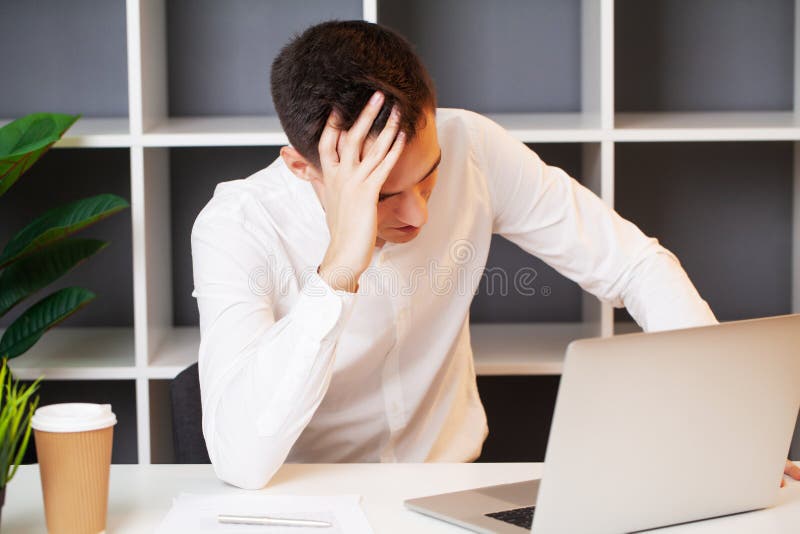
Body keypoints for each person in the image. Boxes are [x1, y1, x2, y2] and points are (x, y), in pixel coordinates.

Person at [190, 20, 800, 489]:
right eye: (382, 195)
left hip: (452, 491)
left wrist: (728, 432)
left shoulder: (470, 145)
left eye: (427, 177)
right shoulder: (236, 226)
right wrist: (341, 266)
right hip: (306, 504)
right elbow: (242, 461)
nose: (419, 216)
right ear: (302, 167)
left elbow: (633, 265)